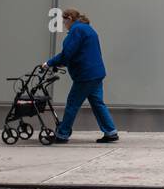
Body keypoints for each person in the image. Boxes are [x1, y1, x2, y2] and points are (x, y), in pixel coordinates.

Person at [45, 8, 118, 144]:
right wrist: (63, 62)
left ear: (70, 19)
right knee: (97, 103)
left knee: (72, 103)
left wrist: (49, 63)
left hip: (85, 75)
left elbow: (68, 52)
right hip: (96, 73)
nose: (63, 24)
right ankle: (111, 131)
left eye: (64, 21)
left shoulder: (77, 30)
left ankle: (62, 134)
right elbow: (81, 52)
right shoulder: (88, 29)